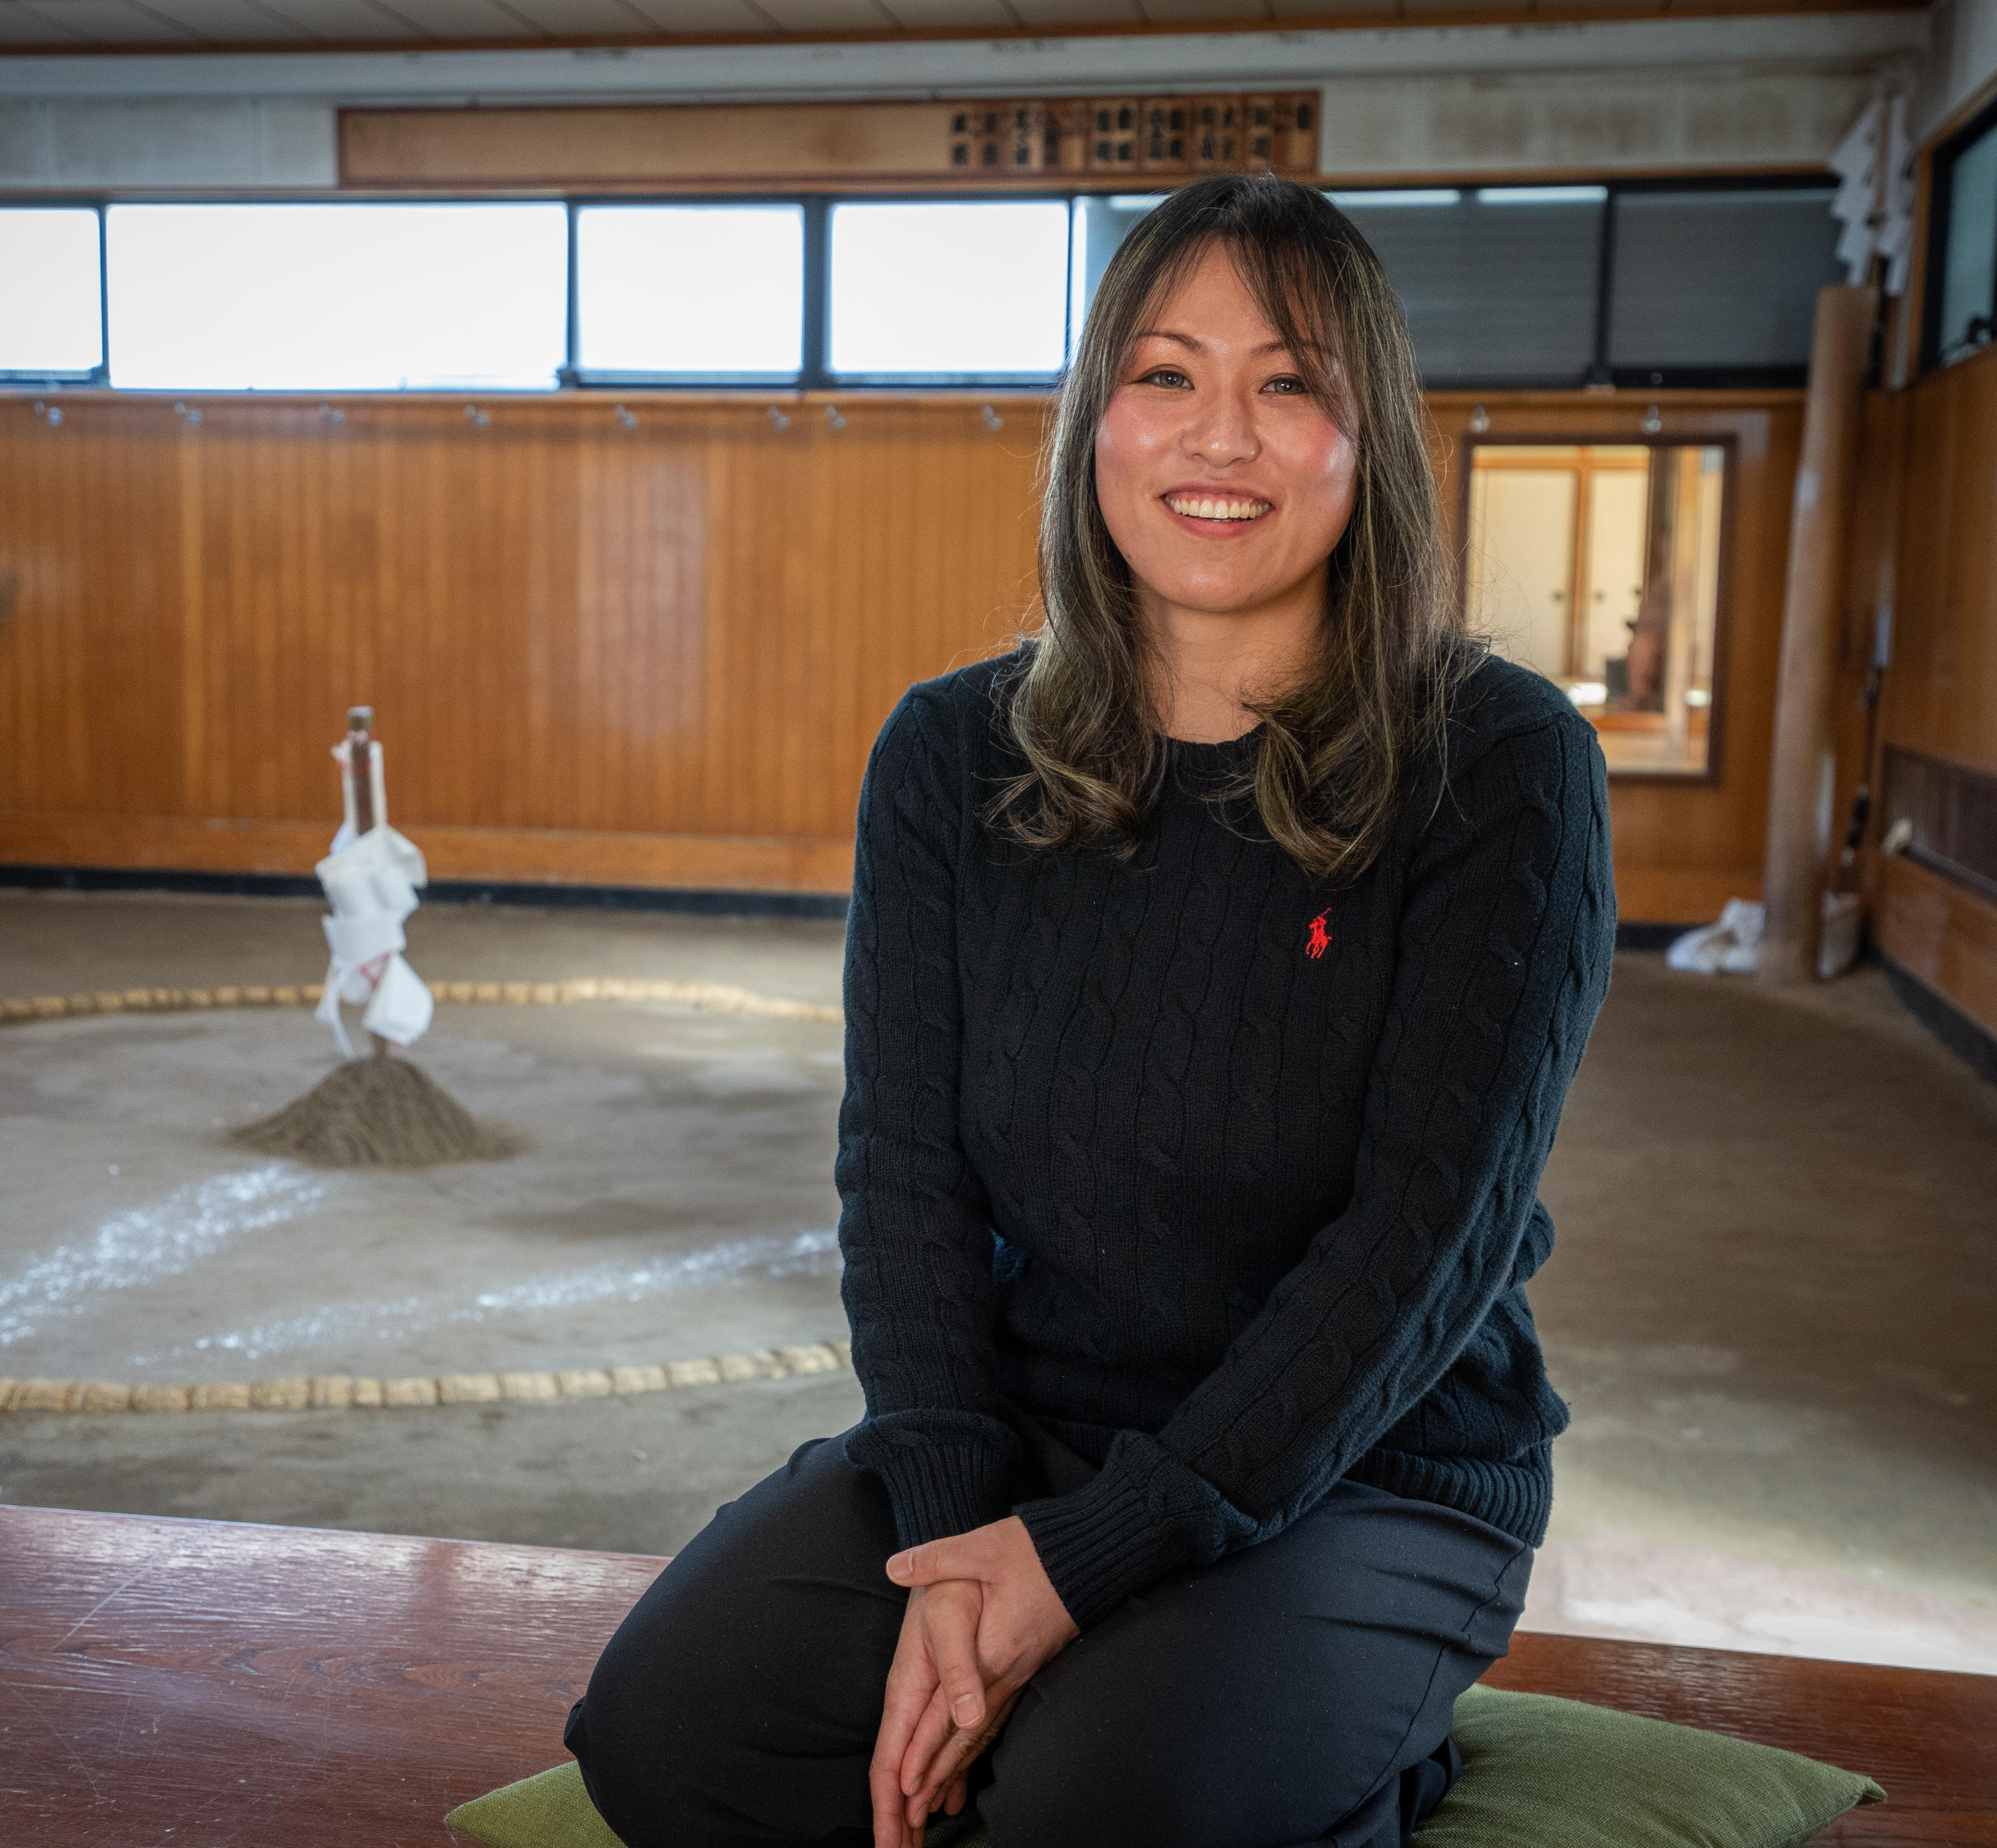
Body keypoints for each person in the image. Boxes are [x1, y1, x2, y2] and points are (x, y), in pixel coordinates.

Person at [564, 173, 1616, 1848]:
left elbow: (1426, 1241)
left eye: (1290, 384)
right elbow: (903, 1175)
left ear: (1370, 443)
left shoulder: (1500, 766)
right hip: (1031, 1430)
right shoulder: (951, 754)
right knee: (666, 1732)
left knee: (1096, 1810)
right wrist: (955, 1532)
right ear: (1095, 424)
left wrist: (1091, 1564)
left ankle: (1354, 1763)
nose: (1221, 438)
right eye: (1164, 375)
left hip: (1367, 1469)